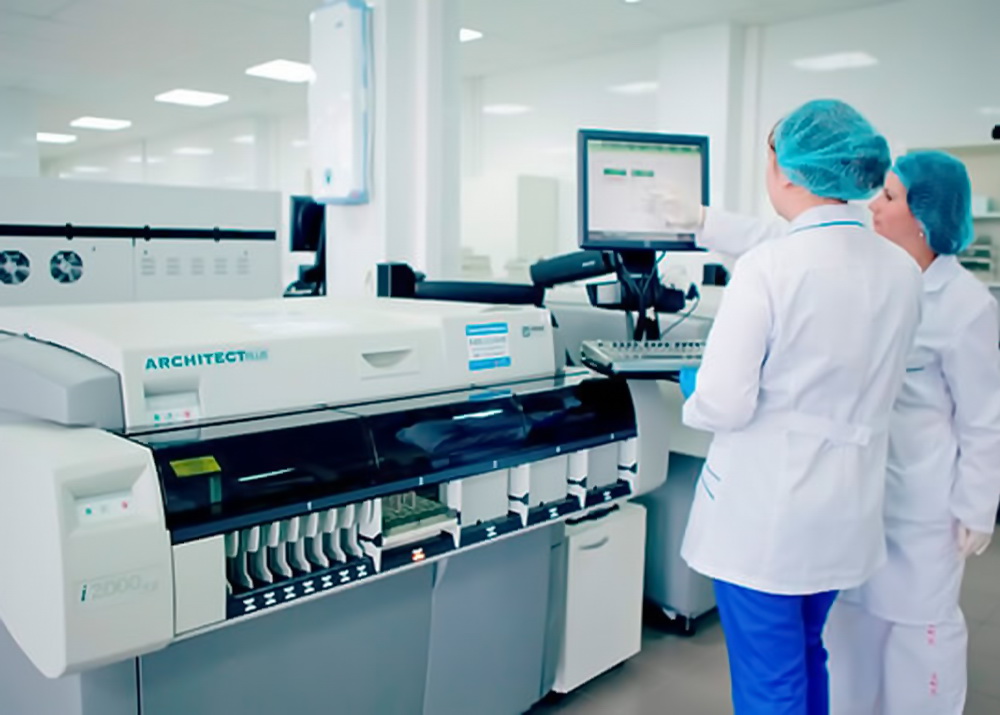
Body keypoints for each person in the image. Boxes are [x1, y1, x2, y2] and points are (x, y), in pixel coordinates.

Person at [652, 99, 923, 715]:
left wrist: (693, 383)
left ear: (789, 173)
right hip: (845, 509)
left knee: (770, 680)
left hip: (768, 518)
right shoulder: (901, 269)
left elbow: (723, 403)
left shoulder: (768, 268)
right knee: (806, 651)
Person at [823, 151, 1000, 715]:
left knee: (918, 640)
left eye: (890, 197)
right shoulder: (875, 279)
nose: (874, 205)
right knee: (849, 635)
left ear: (924, 216)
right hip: (862, 494)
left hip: (924, 506)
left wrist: (977, 507)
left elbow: (983, 417)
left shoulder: (966, 304)